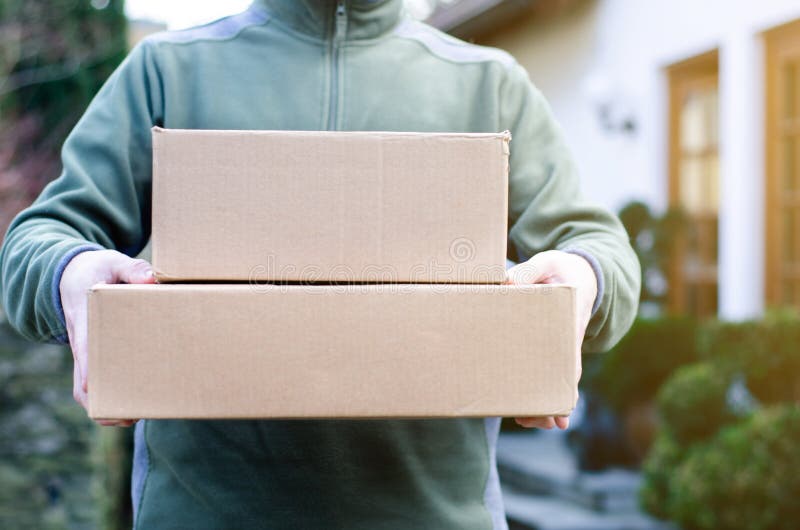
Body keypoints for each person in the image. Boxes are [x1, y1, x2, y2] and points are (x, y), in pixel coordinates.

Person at [0, 1, 640, 528]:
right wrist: (69, 271)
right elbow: (40, 237)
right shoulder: (168, 70)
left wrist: (585, 276)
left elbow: (597, 245)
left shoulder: (488, 84)